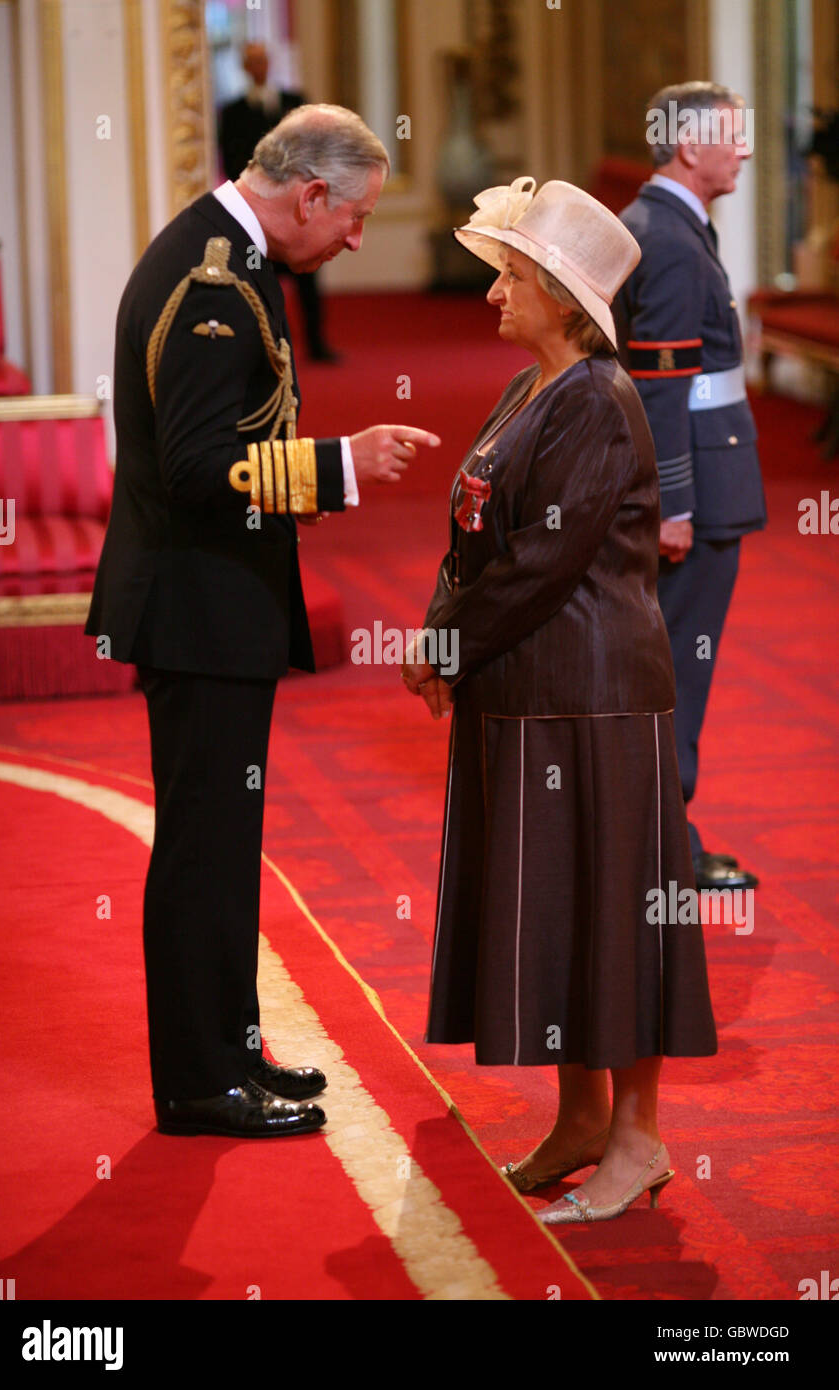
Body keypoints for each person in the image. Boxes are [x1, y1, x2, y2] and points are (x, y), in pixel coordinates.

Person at [86, 104, 440, 1138]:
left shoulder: (236, 257)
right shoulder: (212, 281)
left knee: (229, 842)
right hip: (194, 607)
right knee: (205, 845)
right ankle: (200, 1081)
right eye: (357, 217)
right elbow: (198, 470)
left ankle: (233, 1048)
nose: (358, 239)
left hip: (215, 601)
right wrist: (342, 465)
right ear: (310, 194)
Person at [402, 178, 717, 1224]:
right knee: (556, 911)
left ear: (563, 298)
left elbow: (544, 561)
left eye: (512, 277)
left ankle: (637, 1141)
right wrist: (445, 625)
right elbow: (478, 527)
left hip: (590, 699)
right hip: (528, 690)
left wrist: (448, 639)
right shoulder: (529, 386)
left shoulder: (597, 396)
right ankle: (580, 1121)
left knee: (607, 912)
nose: (494, 291)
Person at [613, 81, 766, 892]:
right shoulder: (668, 238)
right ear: (686, 146)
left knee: (674, 664)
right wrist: (672, 505)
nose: (743, 149)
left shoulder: (665, 225)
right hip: (694, 493)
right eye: (731, 136)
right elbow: (662, 384)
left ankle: (657, 836)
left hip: (707, 478)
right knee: (676, 668)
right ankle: (662, 848)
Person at [219, 42, 338, 362]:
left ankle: (316, 344)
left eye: (262, 60)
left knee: (309, 280)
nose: (258, 67)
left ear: (269, 63)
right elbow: (232, 163)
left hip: (299, 211)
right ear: (245, 68)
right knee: (259, 281)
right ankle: (266, 349)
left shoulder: (295, 104)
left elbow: (314, 151)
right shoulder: (232, 113)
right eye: (252, 62)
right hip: (258, 215)